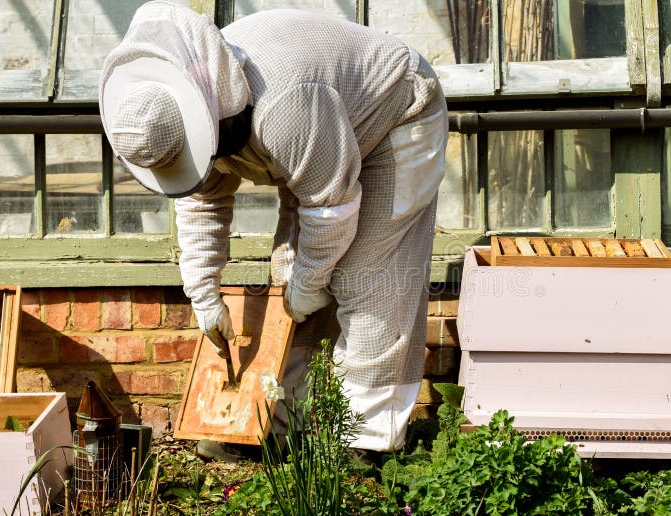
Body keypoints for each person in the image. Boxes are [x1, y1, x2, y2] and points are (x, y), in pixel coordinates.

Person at [99, 1, 448, 454]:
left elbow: (330, 208)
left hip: (396, 113)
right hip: (321, 138)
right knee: (289, 278)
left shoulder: (282, 106)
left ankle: (366, 440)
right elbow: (202, 204)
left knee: (367, 279)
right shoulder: (188, 108)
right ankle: (275, 426)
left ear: (207, 118)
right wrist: (204, 295)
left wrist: (309, 282)